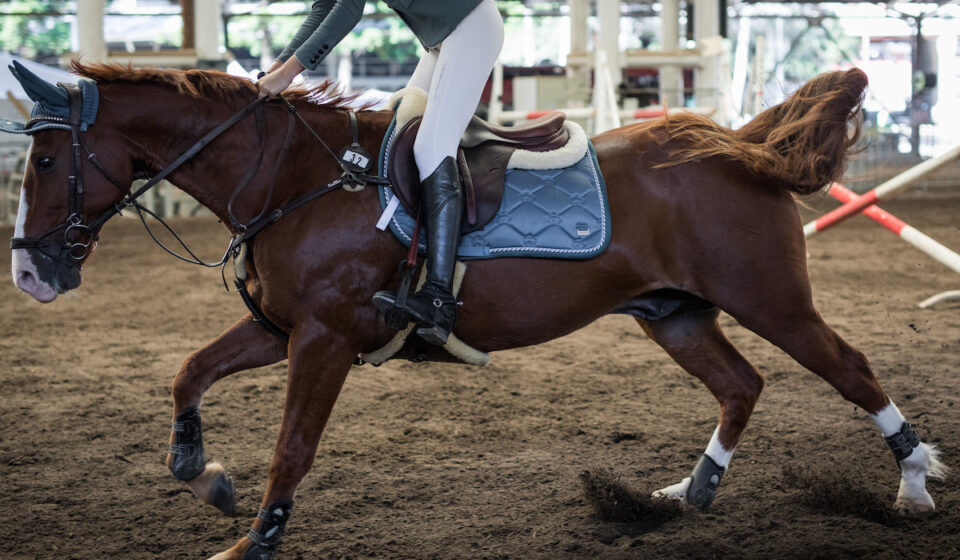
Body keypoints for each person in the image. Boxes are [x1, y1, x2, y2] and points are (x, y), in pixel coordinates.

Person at [258, 0, 504, 345]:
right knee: (396, 133)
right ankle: (406, 270)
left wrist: (287, 75)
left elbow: (347, 10)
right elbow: (322, 9)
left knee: (430, 148)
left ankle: (438, 299)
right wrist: (277, 65)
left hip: (471, 29)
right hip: (440, 41)